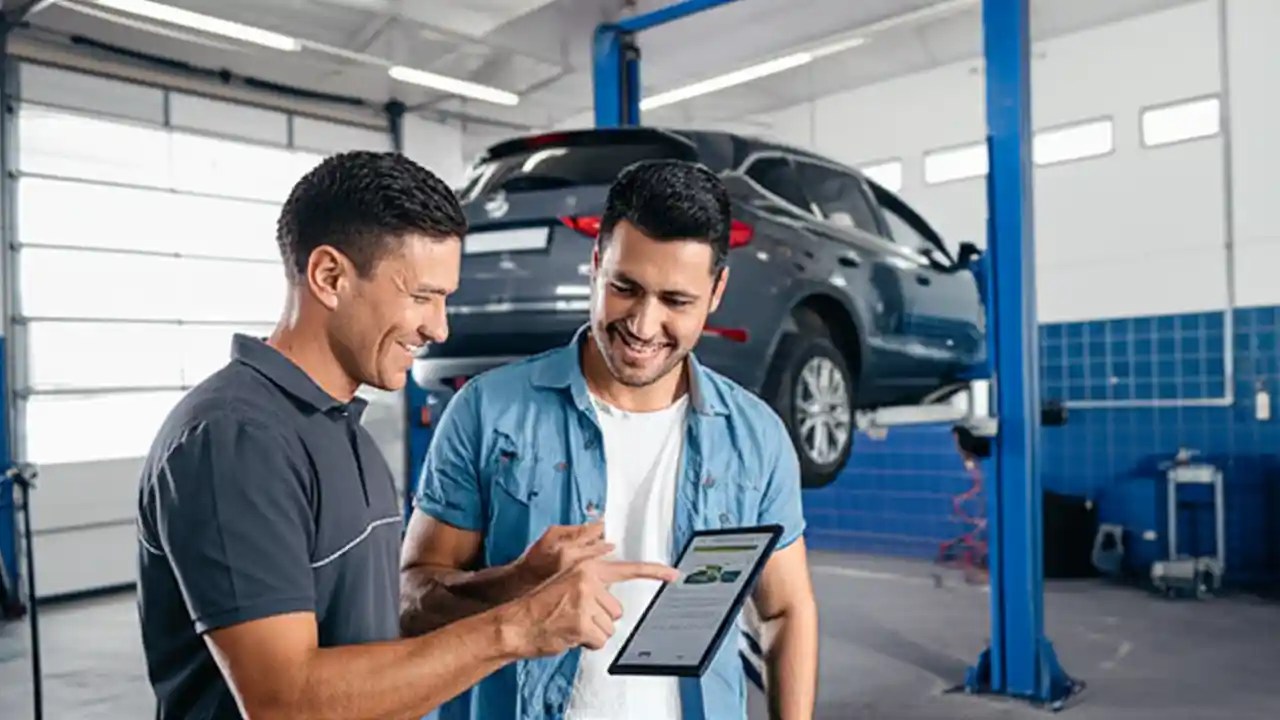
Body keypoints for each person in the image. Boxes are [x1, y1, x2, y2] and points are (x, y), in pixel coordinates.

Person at [134, 151, 679, 720]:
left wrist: (516, 584)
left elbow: (377, 631)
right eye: (421, 296)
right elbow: (284, 701)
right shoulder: (236, 439)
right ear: (330, 276)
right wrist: (517, 628)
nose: (438, 327)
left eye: (444, 299)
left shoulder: (346, 433)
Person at [399, 159, 820, 720]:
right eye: (625, 288)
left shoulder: (757, 438)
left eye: (676, 301)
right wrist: (516, 587)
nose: (644, 326)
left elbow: (785, 611)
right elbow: (413, 600)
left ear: (716, 292)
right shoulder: (487, 410)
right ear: (596, 265)